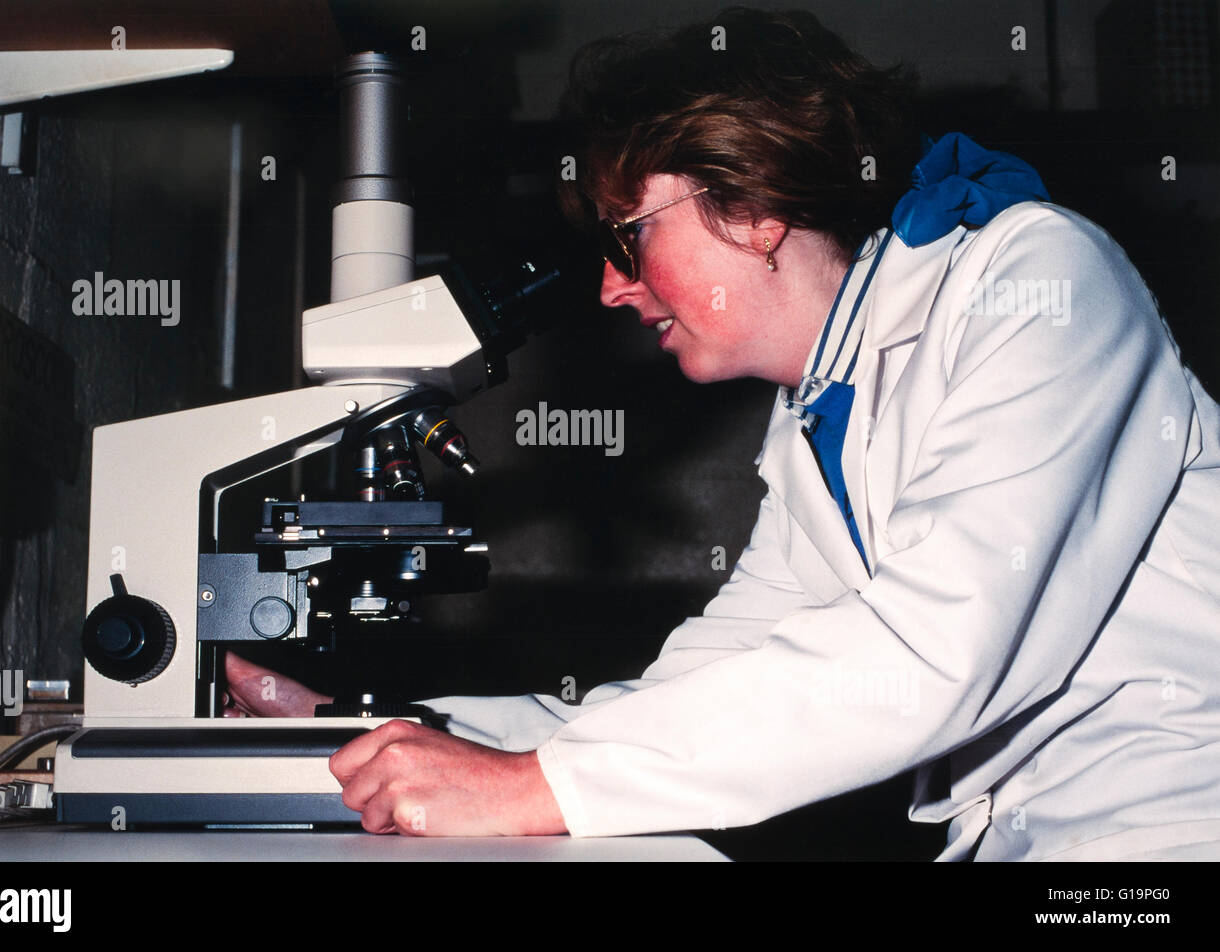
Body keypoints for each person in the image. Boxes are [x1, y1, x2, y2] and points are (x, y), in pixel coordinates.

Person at [225, 8, 1220, 860]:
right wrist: (373, 740)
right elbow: (697, 687)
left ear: (749, 202)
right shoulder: (821, 410)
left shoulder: (1034, 281)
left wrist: (537, 789)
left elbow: (932, 651)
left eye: (629, 235)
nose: (614, 286)